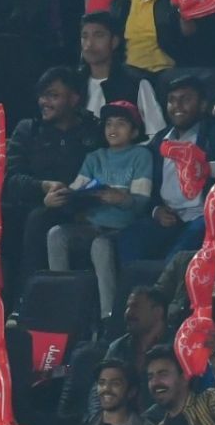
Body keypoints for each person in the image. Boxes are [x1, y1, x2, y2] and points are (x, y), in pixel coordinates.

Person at [44, 99, 154, 320]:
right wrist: (58, 198)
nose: (113, 129)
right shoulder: (95, 157)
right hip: (92, 224)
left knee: (100, 245)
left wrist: (121, 199)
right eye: (109, 124)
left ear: (134, 132)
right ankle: (64, 304)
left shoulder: (141, 155)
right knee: (57, 234)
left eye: (121, 124)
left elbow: (141, 201)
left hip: (121, 229)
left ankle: (109, 315)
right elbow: (75, 189)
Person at [5, 67, 103, 281]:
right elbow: (10, 180)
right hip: (34, 203)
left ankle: (30, 298)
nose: (44, 102)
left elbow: (105, 175)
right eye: (42, 95)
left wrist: (70, 196)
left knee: (41, 219)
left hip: (79, 206)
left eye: (54, 96)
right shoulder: (27, 130)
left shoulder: (94, 132)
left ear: (74, 99)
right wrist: (43, 187)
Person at [78, 11, 167, 139]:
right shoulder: (75, 82)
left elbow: (156, 134)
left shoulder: (136, 82)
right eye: (84, 36)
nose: (89, 44)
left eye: (98, 35)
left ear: (114, 41)